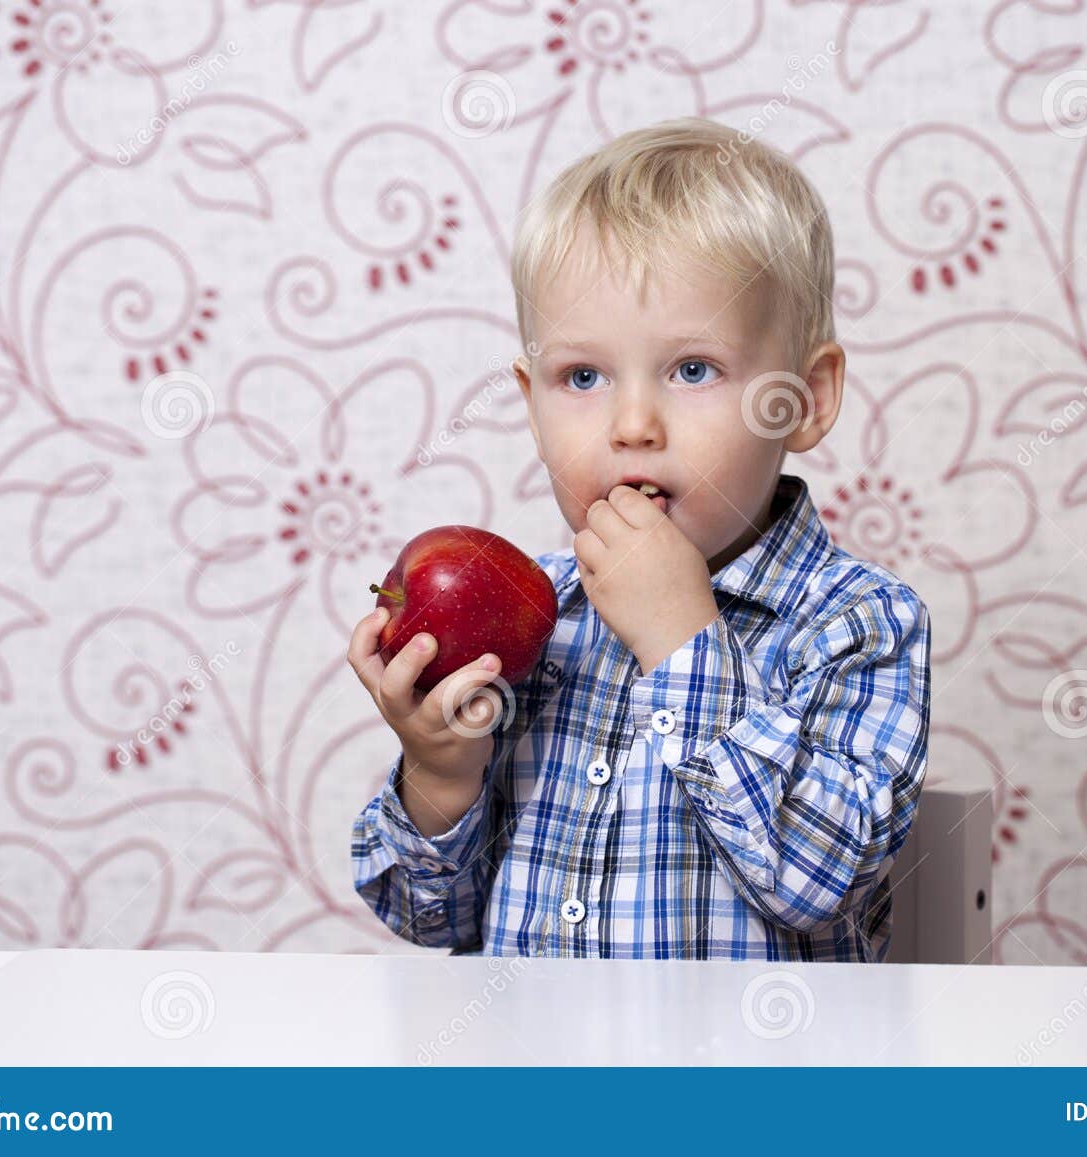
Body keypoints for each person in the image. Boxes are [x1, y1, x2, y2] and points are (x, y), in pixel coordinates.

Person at [349, 116, 931, 961]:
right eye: (581, 377)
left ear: (805, 396)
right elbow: (426, 918)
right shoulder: (535, 616)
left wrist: (682, 641)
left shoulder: (859, 622)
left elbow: (820, 879)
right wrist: (441, 772)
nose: (631, 425)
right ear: (532, 401)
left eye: (693, 369)